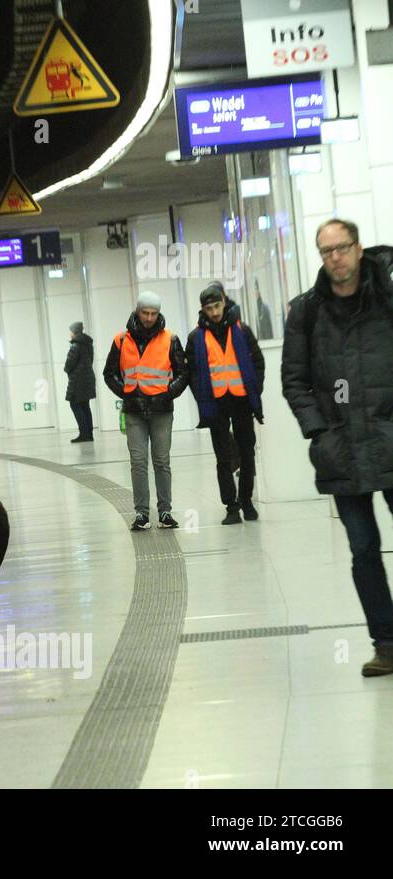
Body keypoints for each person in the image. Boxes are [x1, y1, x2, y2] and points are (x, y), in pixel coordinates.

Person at [282, 218, 393, 677]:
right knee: (363, 549)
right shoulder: (307, 312)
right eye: (325, 251)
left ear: (358, 247)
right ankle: (386, 644)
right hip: (341, 449)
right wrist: (319, 431)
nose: (335, 258)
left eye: (341, 248)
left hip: (389, 439)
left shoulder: (387, 299)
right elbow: (294, 381)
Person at [103, 290, 189, 530]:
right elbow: (108, 374)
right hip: (134, 411)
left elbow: (183, 373)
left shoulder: (170, 339)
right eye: (145, 313)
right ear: (137, 311)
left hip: (162, 410)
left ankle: (165, 512)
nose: (149, 318)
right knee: (138, 462)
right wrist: (127, 392)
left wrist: (168, 392)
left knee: (161, 461)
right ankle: (141, 513)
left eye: (154, 313)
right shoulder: (121, 340)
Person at [186, 281, 265, 525]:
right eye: (209, 308)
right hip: (216, 404)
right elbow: (193, 373)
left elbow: (258, 361)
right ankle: (231, 506)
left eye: (218, 306)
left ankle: (247, 501)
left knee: (246, 452)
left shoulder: (242, 330)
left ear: (224, 302)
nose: (215, 312)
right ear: (203, 310)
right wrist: (203, 397)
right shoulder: (196, 338)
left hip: (241, 400)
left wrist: (254, 388)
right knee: (223, 457)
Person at [64, 321, 96, 443]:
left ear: (74, 331)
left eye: (70, 331)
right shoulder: (88, 344)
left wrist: (67, 370)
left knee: (75, 405)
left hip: (78, 381)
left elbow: (69, 364)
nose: (70, 333)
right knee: (85, 406)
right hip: (87, 379)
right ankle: (89, 434)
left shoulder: (75, 346)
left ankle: (84, 433)